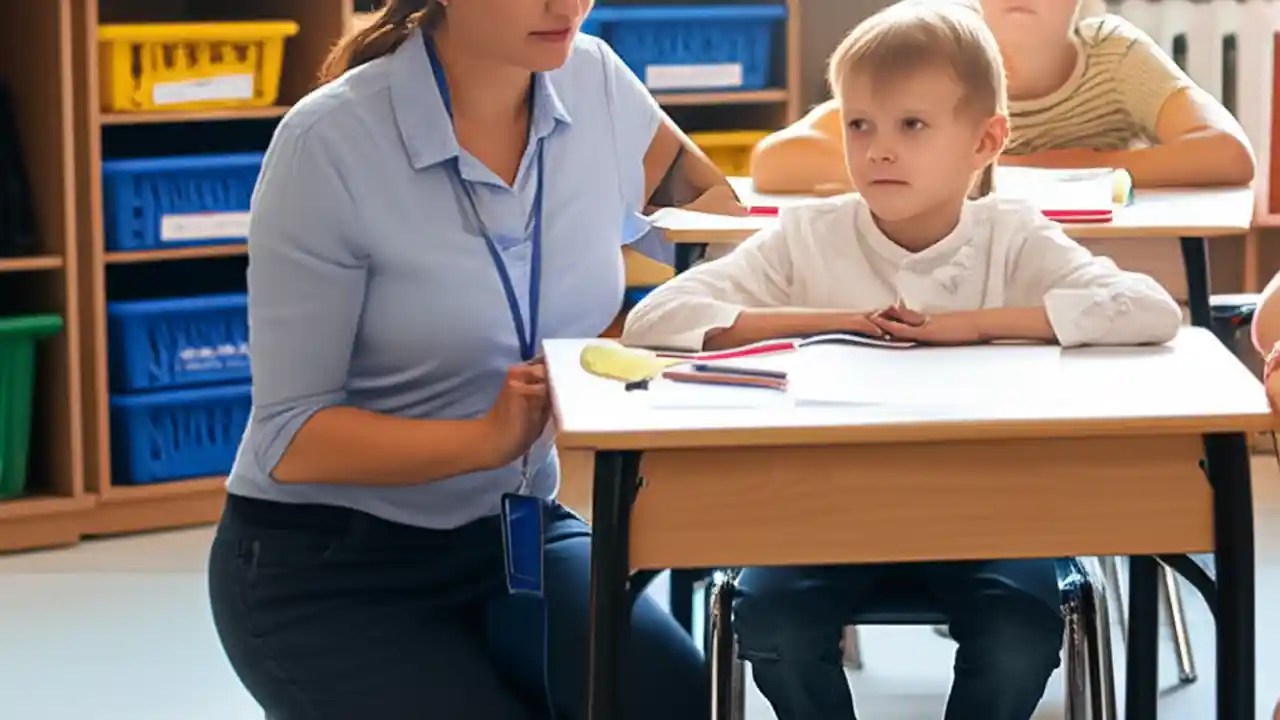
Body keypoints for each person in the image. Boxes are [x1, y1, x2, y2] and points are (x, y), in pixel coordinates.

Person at [622, 3, 1181, 718]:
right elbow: (655, 318)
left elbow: (1147, 308)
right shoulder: (809, 235)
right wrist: (839, 324)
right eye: (860, 125)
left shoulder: (1012, 235)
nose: (880, 149)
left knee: (1017, 634)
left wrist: (970, 326)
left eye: (912, 126)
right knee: (774, 624)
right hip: (820, 507)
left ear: (986, 140)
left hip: (989, 508)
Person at [204, 0, 745, 717]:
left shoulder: (595, 81)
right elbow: (289, 439)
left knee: (670, 700)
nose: (567, 6)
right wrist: (484, 440)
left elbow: (710, 213)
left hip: (513, 530)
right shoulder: (328, 142)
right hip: (326, 563)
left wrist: (722, 299)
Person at [749, 0, 1254, 194]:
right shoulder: (939, 44)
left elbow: (1228, 153)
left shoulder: (1115, 54)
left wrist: (1072, 167)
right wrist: (955, 173)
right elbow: (776, 163)